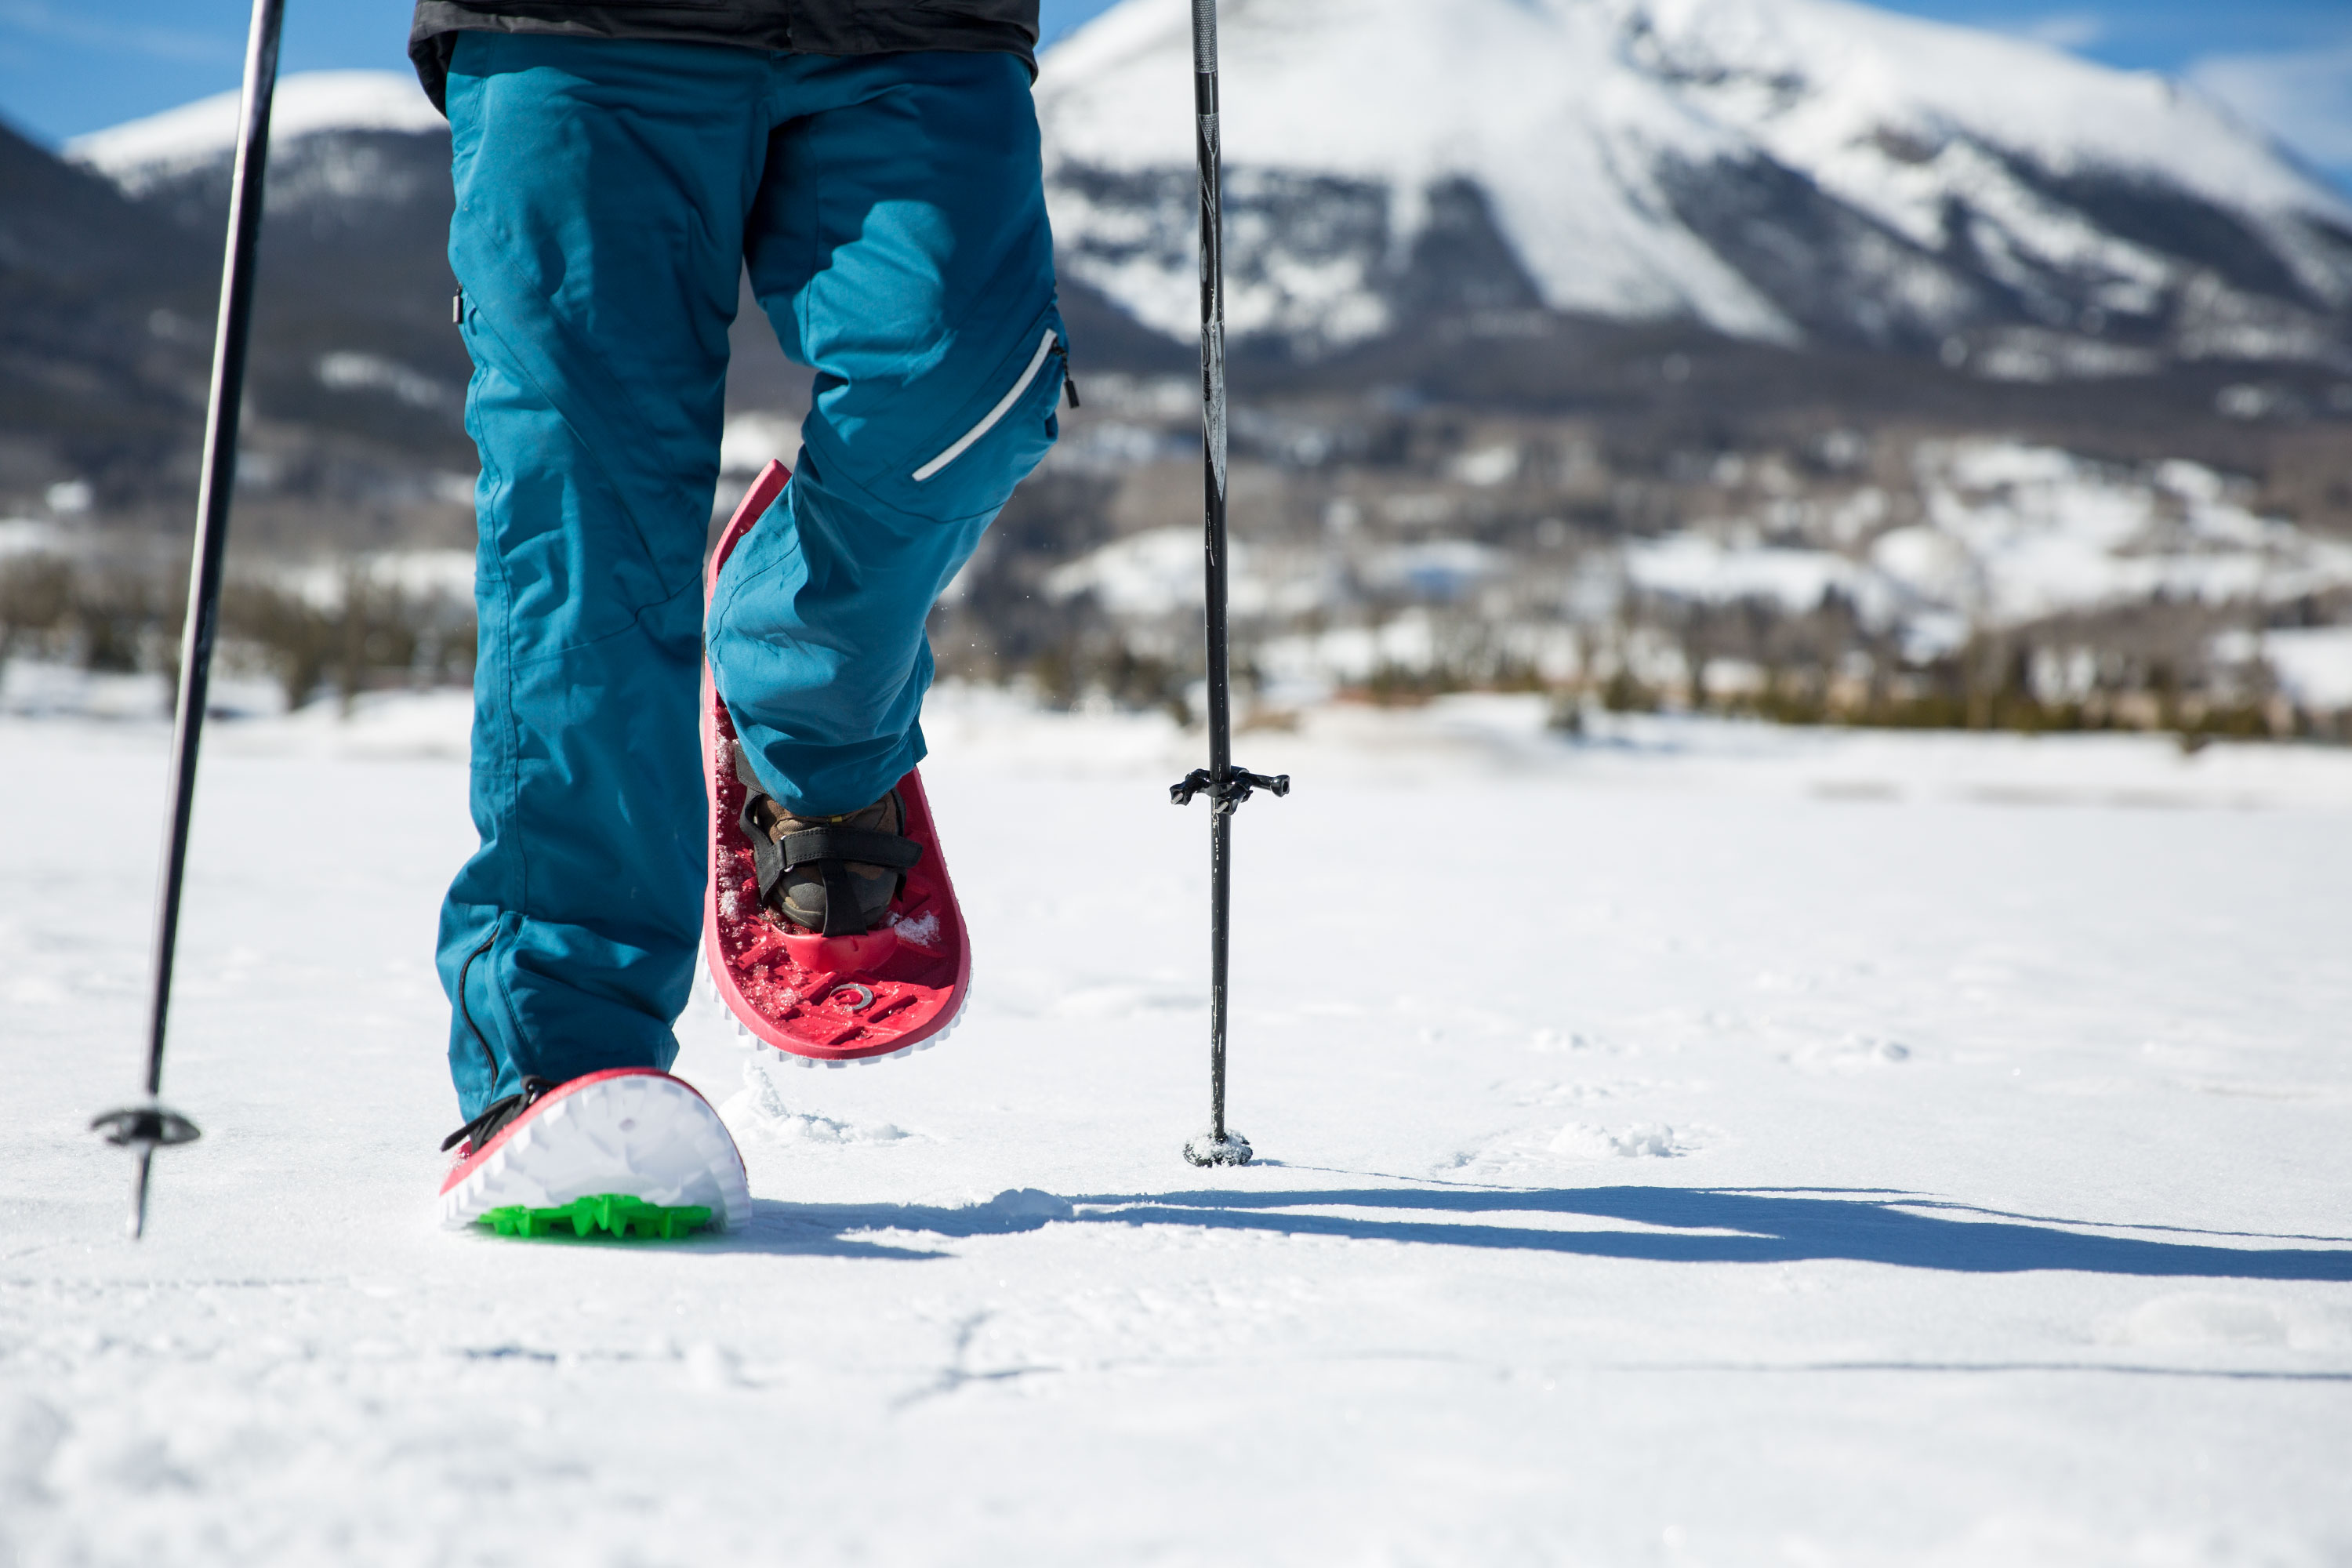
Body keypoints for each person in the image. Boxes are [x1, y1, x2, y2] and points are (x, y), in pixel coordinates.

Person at [407, 0, 1067, 1159]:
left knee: (970, 393)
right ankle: (563, 1068)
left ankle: (799, 692)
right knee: (581, 523)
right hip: (576, 30)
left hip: (922, 24)